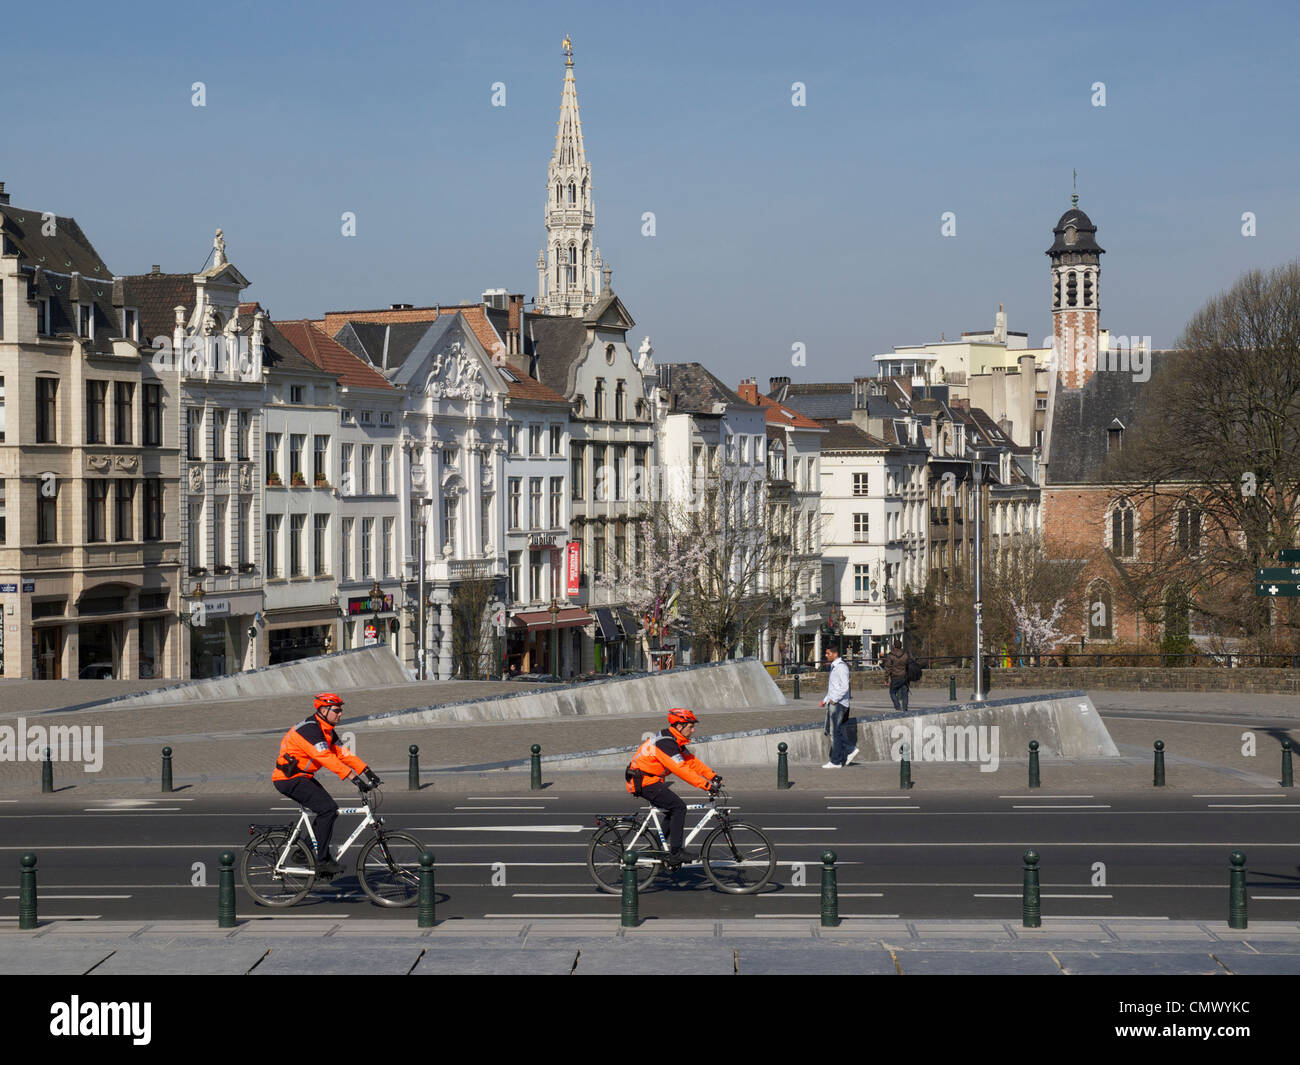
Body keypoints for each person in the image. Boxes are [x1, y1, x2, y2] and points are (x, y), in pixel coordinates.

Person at [273, 692, 382, 876]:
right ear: (323, 710)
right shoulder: (310, 730)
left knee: (328, 811)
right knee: (328, 809)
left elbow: (343, 754)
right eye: (337, 711)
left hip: (302, 776)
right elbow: (325, 757)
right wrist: (354, 778)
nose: (340, 714)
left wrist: (368, 772)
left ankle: (303, 852)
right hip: (288, 779)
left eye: (341, 711)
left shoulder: (327, 729)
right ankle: (322, 861)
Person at [625, 708, 721, 864]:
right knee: (678, 807)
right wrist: (706, 786)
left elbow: (691, 761)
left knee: (672, 810)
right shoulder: (666, 743)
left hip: (650, 780)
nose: (693, 729)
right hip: (644, 782)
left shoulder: (673, 739)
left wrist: (712, 776)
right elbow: (680, 769)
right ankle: (676, 852)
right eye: (690, 726)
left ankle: (654, 847)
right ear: (679, 726)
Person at [820, 646, 857, 768]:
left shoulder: (841, 667)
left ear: (835, 654)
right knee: (830, 730)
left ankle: (836, 761)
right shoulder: (834, 666)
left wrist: (834, 700)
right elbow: (834, 687)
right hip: (834, 702)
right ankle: (849, 750)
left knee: (835, 731)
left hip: (839, 704)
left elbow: (845, 687)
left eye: (828, 653)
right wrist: (825, 700)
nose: (826, 655)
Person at [883, 640, 915, 714]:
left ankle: (897, 706)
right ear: (901, 646)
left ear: (894, 646)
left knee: (892, 692)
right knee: (905, 694)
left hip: (895, 677)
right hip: (904, 677)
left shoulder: (891, 655)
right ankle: (905, 709)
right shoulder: (906, 654)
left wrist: (886, 679)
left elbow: (888, 668)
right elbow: (911, 663)